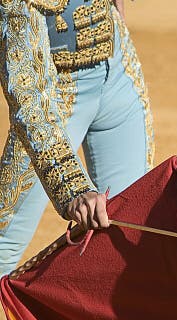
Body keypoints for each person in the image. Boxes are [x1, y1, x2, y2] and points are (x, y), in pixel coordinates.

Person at [0, 0, 154, 274]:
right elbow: (30, 96)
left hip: (119, 73)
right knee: (2, 247)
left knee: (130, 239)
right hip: (53, 96)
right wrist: (73, 189)